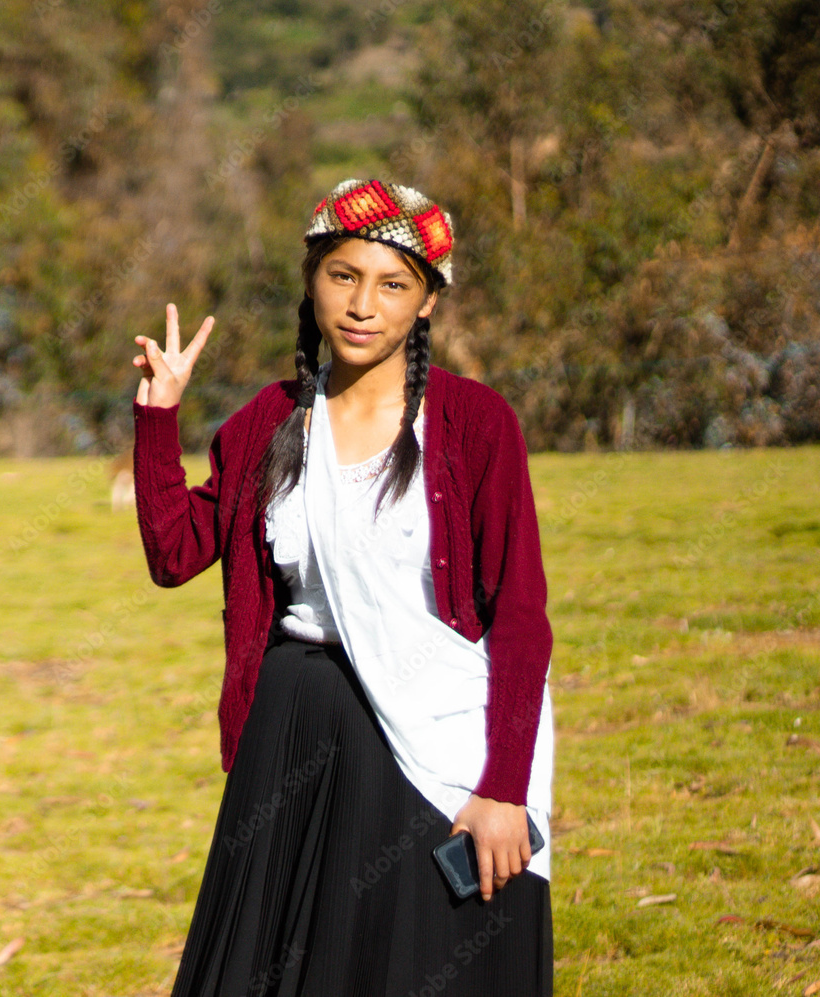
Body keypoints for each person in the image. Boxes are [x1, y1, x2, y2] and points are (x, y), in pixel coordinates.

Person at [131, 178, 554, 996]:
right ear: (312, 281)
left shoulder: (474, 424)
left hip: (435, 740)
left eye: (394, 284)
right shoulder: (269, 421)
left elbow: (522, 616)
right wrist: (160, 418)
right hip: (296, 731)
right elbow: (176, 553)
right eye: (342, 275)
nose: (364, 304)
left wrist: (503, 786)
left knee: (413, 960)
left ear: (427, 302)